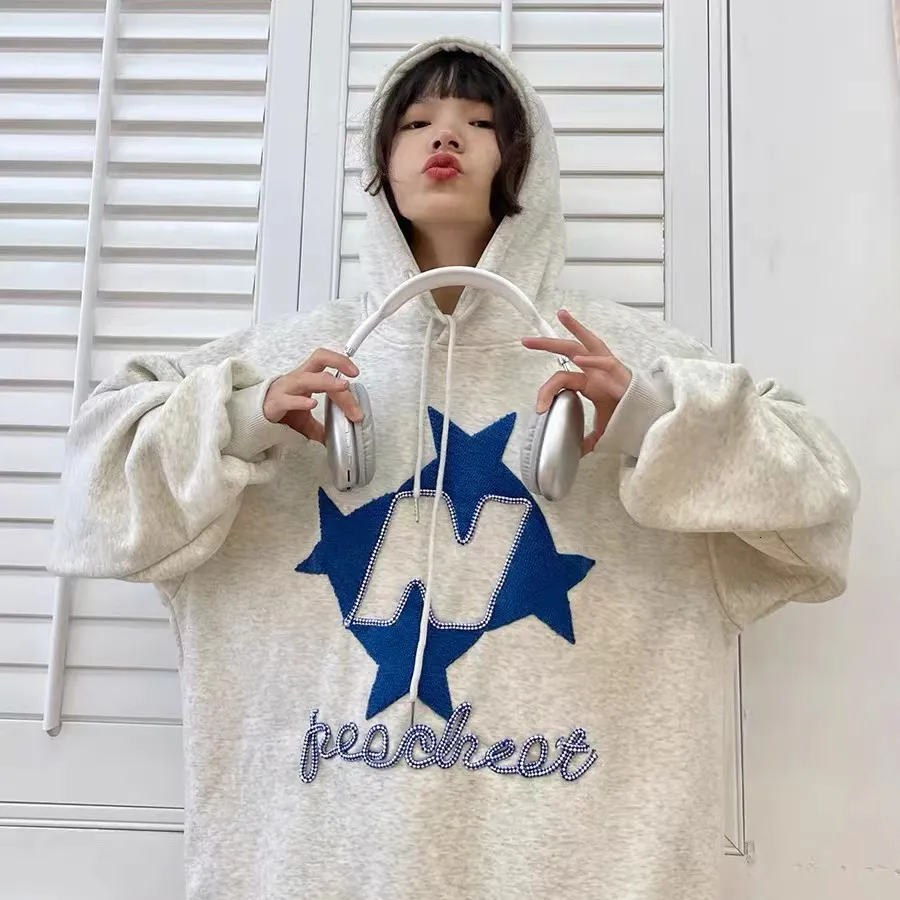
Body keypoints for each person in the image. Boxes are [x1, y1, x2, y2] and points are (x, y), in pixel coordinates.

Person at [48, 36, 859, 900]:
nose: (446, 136)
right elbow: (93, 501)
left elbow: (819, 515)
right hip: (318, 869)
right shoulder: (286, 365)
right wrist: (242, 420)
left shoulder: (621, 361)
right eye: (416, 122)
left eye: (479, 121)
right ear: (378, 163)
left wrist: (655, 421)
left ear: (525, 163)